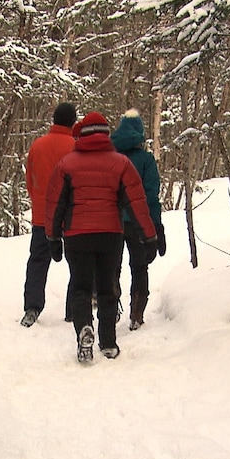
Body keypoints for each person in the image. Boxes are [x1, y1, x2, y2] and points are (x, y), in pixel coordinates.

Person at [45, 111, 158, 362]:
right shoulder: (121, 164)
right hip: (110, 234)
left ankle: (84, 328)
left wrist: (53, 237)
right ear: (107, 134)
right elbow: (137, 203)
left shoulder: (67, 164)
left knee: (81, 287)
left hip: (77, 235)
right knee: (107, 288)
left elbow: (54, 203)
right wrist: (148, 236)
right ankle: (108, 342)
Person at [20, 102, 77, 328]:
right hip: (71, 216)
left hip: (43, 215)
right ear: (73, 122)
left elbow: (30, 181)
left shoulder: (38, 145)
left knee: (38, 260)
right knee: (77, 263)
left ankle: (32, 308)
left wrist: (40, 203)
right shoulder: (76, 146)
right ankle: (74, 310)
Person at [111, 109, 166, 331]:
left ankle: (110, 308)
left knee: (112, 267)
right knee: (139, 266)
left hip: (112, 221)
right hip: (138, 221)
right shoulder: (145, 160)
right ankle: (136, 313)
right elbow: (151, 195)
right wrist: (155, 225)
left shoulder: (110, 158)